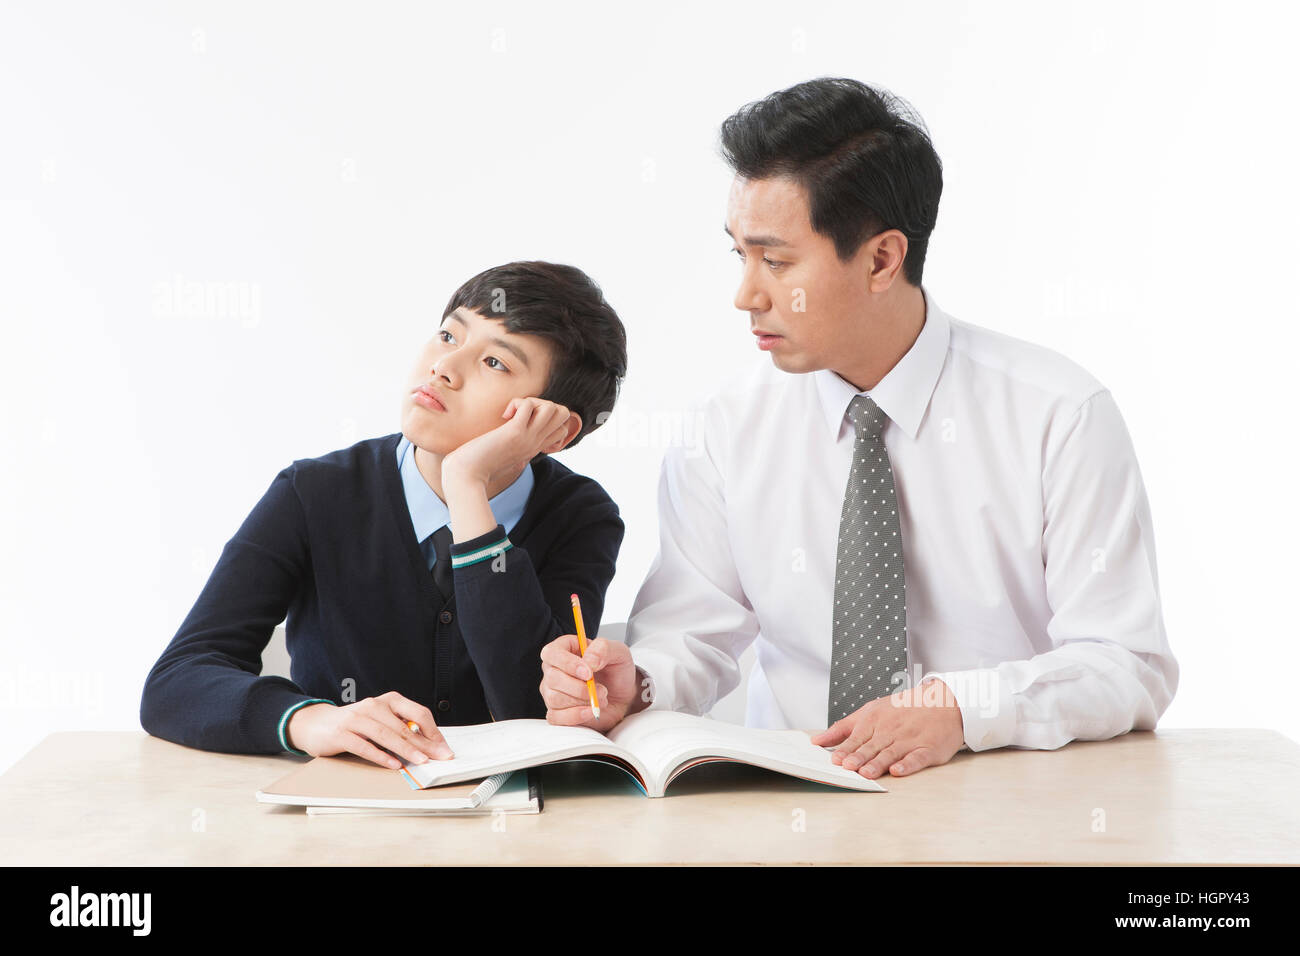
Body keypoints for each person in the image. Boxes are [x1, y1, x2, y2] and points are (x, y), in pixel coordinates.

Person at [539, 77, 1178, 781]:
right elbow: (690, 633)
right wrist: (636, 679)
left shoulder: (1058, 414)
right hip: (792, 807)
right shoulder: (724, 429)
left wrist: (962, 710)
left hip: (1001, 799)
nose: (746, 295)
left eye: (776, 262)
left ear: (881, 259)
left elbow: (1126, 662)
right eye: (740, 256)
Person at [141, 260, 628, 770]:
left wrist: (468, 489)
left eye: (495, 363)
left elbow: (529, 712)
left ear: (553, 431)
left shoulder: (581, 517)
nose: (445, 367)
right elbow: (178, 680)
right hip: (336, 818)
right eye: (448, 335)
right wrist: (312, 720)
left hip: (507, 824)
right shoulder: (313, 492)